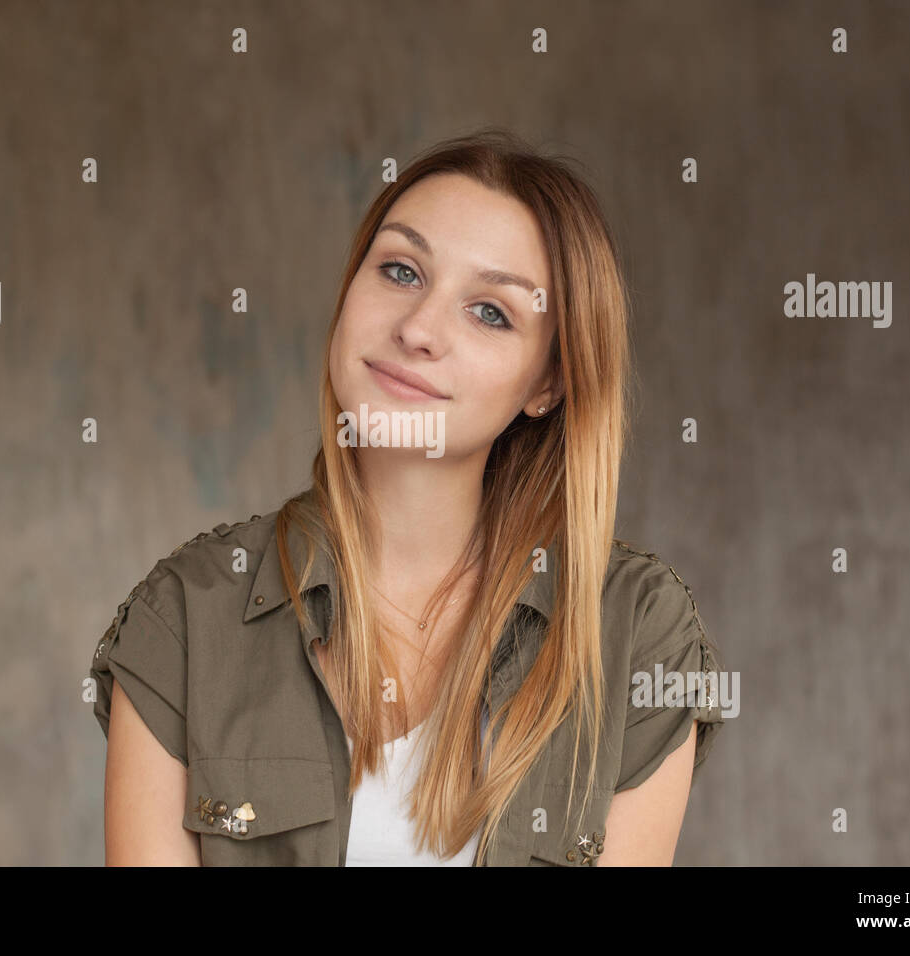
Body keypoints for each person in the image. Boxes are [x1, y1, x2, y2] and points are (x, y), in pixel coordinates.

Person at [90, 127, 728, 866]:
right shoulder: (187, 619)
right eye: (400, 270)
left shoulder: (637, 631)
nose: (419, 329)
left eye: (491, 311)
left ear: (548, 383)